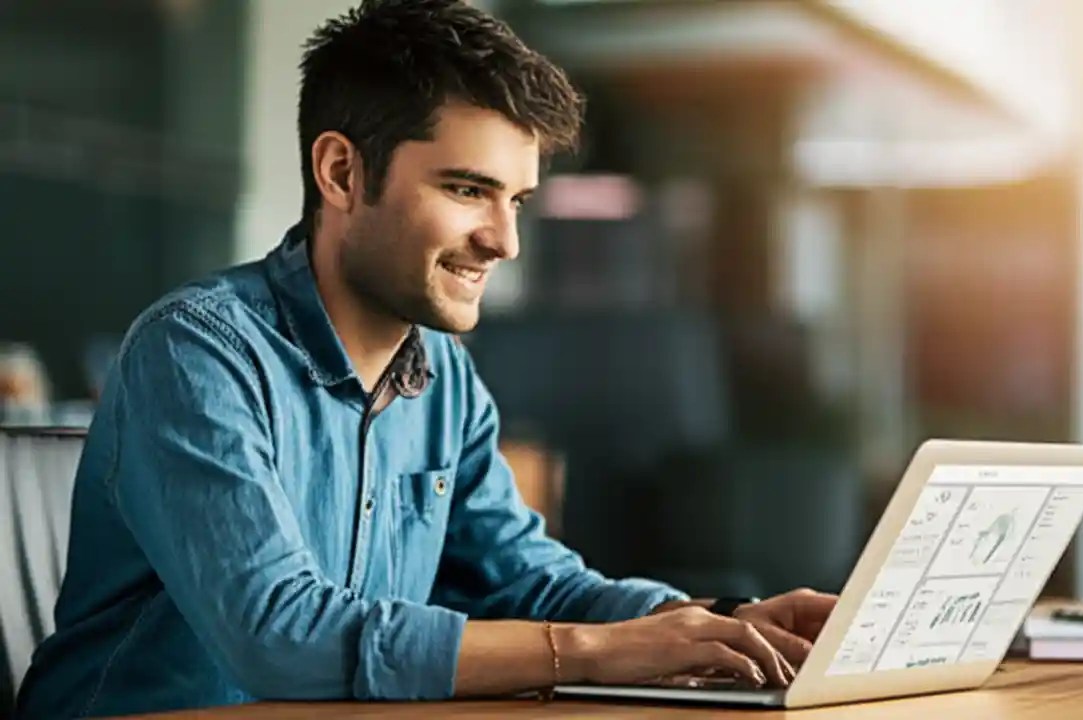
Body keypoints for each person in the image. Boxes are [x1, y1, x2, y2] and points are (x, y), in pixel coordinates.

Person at [15, 1, 837, 717]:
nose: (505, 241)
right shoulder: (197, 353)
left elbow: (531, 584)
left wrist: (721, 622)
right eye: (467, 190)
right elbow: (281, 638)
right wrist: (590, 651)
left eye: (515, 200)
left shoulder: (444, 382)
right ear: (341, 172)